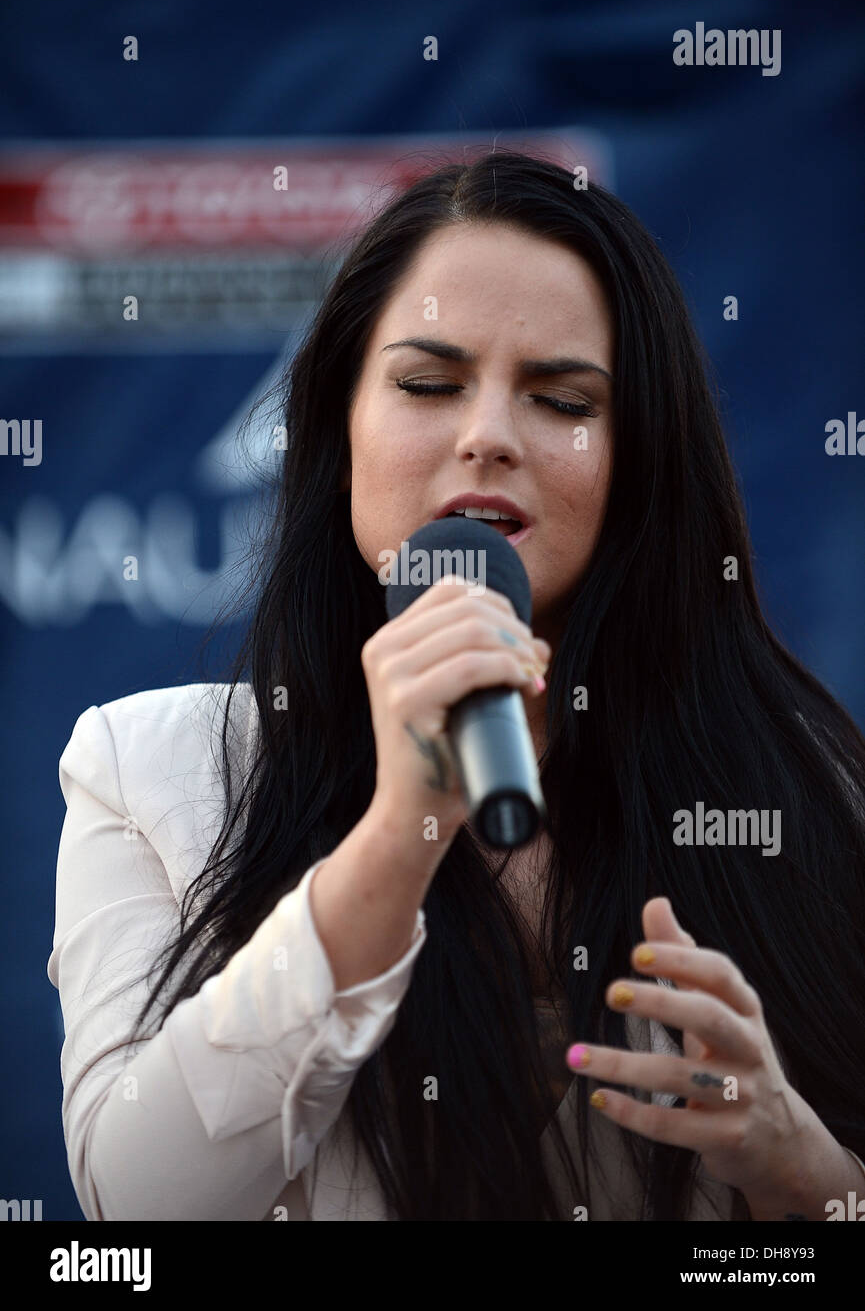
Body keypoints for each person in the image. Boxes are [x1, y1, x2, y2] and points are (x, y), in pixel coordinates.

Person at [49, 149, 865, 1222]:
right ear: (340, 425)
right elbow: (134, 1210)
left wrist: (802, 1166)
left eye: (560, 396)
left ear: (638, 455)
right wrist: (398, 835)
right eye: (429, 384)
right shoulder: (146, 769)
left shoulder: (800, 792)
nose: (486, 435)